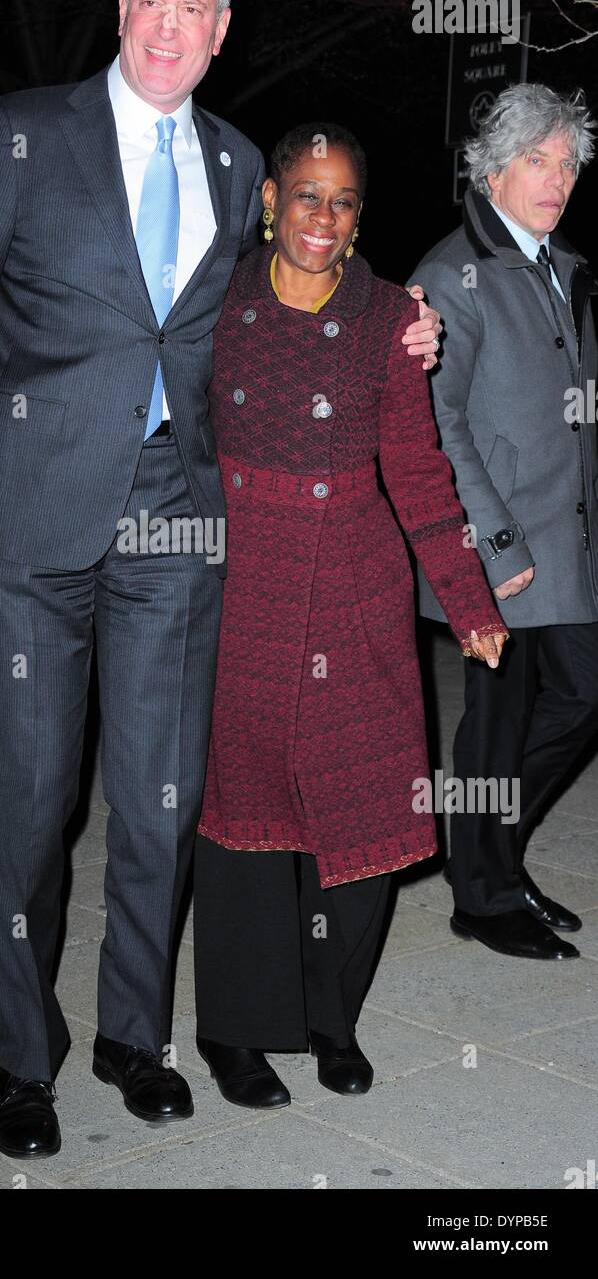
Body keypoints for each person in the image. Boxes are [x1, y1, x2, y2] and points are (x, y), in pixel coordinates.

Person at [0, 0, 442, 1158]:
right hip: (32, 519)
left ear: (218, 32)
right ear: (125, 7)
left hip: (177, 523)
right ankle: (20, 1057)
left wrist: (408, 318)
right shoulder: (22, 130)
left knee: (160, 800)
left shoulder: (237, 158)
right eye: (151, 1)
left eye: (193, 11)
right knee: (30, 805)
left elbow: (294, 300)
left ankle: (132, 1036)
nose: (166, 26)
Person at [193, 123, 507, 1108]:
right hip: (239, 583)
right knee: (241, 822)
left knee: (359, 809)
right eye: (303, 196)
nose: (320, 217)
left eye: (339, 201)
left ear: (356, 215)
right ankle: (236, 1032)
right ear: (267, 202)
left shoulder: (383, 318)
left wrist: (465, 598)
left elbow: (414, 469)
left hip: (355, 594)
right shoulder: (216, 301)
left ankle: (330, 1020)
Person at [410, 83, 598, 962]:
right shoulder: (454, 274)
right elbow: (431, 422)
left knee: (577, 695)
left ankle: (489, 856)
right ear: (492, 171)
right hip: (501, 546)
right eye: (537, 159)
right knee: (496, 721)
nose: (555, 178)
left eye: (566, 162)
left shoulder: (563, 267)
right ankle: (482, 894)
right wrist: (491, 542)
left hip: (567, 540)